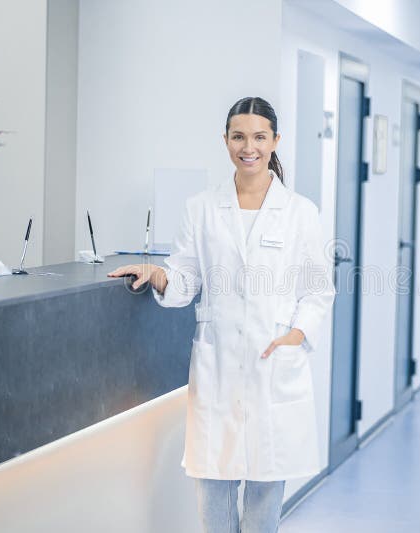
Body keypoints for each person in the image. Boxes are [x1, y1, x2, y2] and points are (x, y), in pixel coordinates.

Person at [108, 97, 335, 532]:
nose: (248, 147)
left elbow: (318, 289)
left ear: (275, 142)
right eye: (238, 137)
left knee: (264, 504)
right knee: (213, 498)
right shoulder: (202, 208)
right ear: (226, 141)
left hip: (274, 364)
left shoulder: (301, 213)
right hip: (219, 369)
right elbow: (186, 277)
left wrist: (295, 336)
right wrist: (157, 273)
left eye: (258, 137)